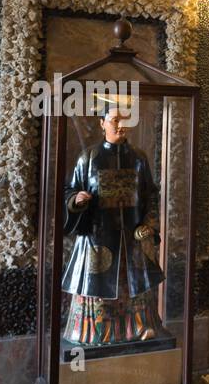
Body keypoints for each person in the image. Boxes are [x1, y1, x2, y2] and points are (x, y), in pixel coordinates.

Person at [60, 107, 165, 349]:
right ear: (102, 123)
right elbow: (70, 189)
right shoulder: (88, 158)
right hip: (98, 238)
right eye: (115, 120)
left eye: (125, 120)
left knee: (134, 284)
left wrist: (148, 223)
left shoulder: (139, 158)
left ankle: (138, 327)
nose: (121, 126)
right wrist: (76, 200)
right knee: (97, 285)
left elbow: (150, 194)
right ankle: (96, 331)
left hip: (130, 236)